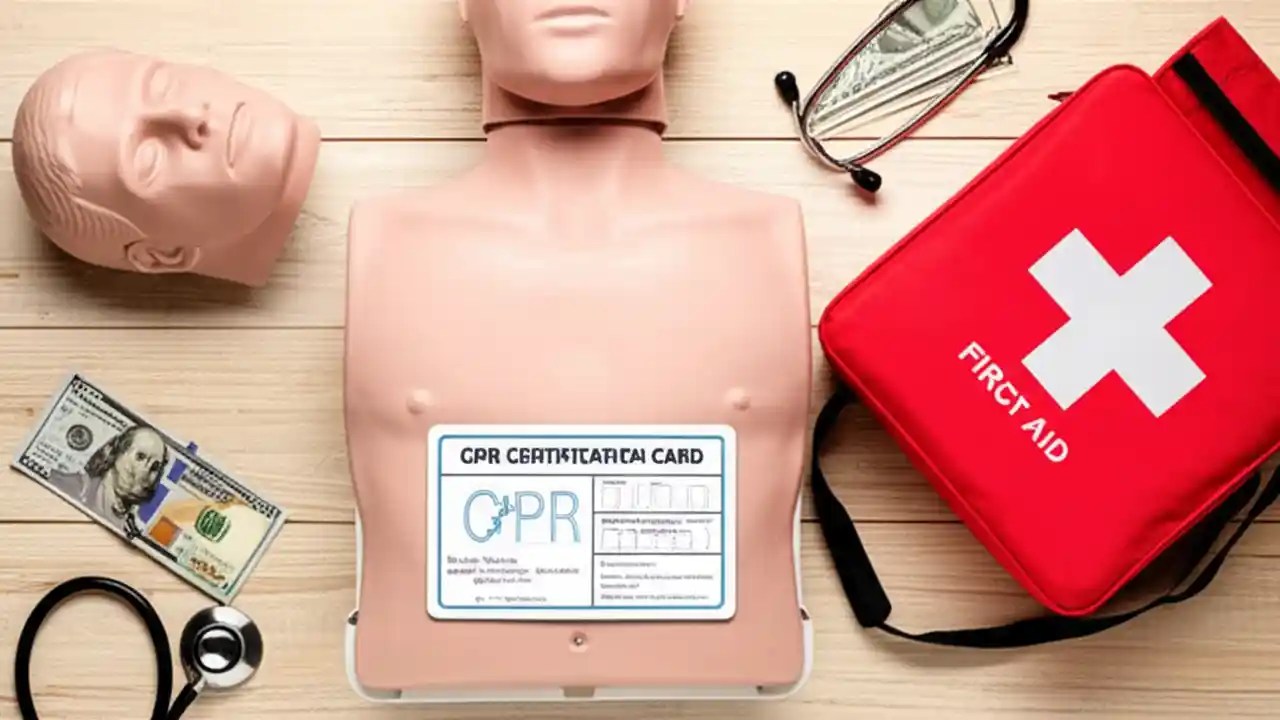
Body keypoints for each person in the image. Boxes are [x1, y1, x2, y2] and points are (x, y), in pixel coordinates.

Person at [47, 426, 168, 536]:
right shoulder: (62, 485)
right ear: (117, 453)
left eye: (155, 467)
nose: (145, 470)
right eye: (140, 457)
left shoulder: (135, 532)